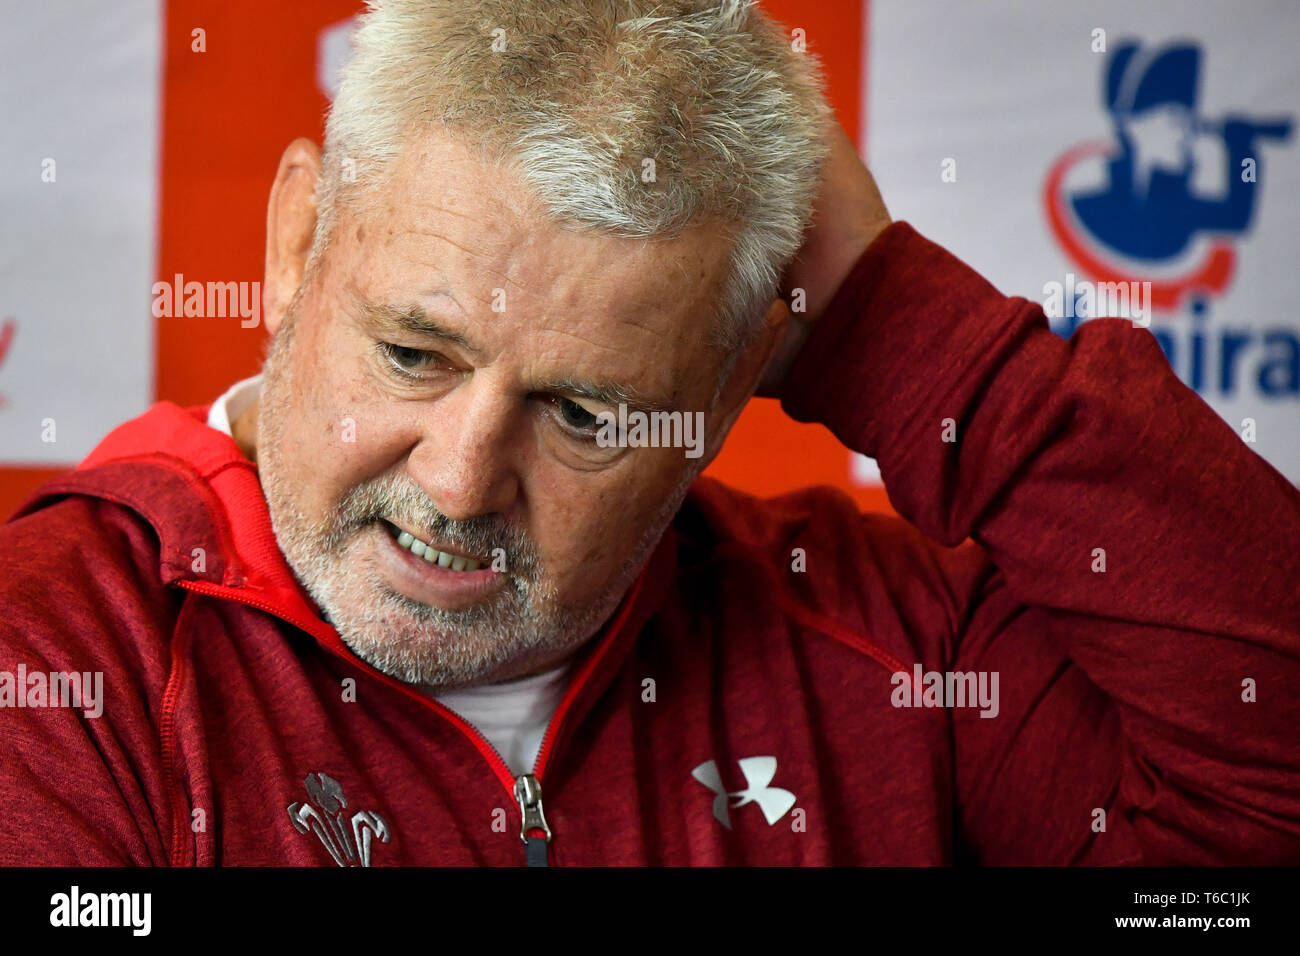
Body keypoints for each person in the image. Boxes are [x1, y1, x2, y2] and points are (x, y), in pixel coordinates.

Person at [1, 0, 1297, 867]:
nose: (458, 482)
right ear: (294, 248)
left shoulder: (885, 648)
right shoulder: (61, 663)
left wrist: (892, 318)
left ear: (736, 384)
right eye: (413, 354)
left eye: (584, 414)